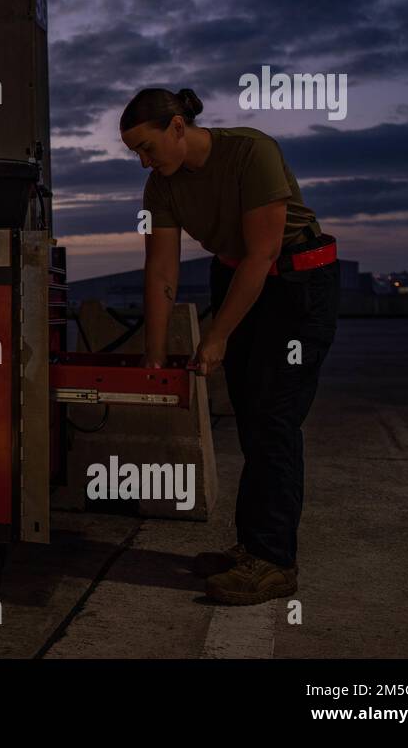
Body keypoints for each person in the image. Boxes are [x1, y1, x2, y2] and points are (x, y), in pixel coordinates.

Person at [120, 87, 339, 605]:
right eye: (135, 154)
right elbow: (162, 270)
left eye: (147, 147)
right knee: (249, 417)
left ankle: (275, 563)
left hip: (296, 285)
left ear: (178, 126)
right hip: (237, 280)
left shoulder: (252, 152)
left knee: (274, 419)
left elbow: (263, 253)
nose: (144, 162)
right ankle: (253, 549)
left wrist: (216, 337)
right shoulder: (161, 187)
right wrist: (154, 354)